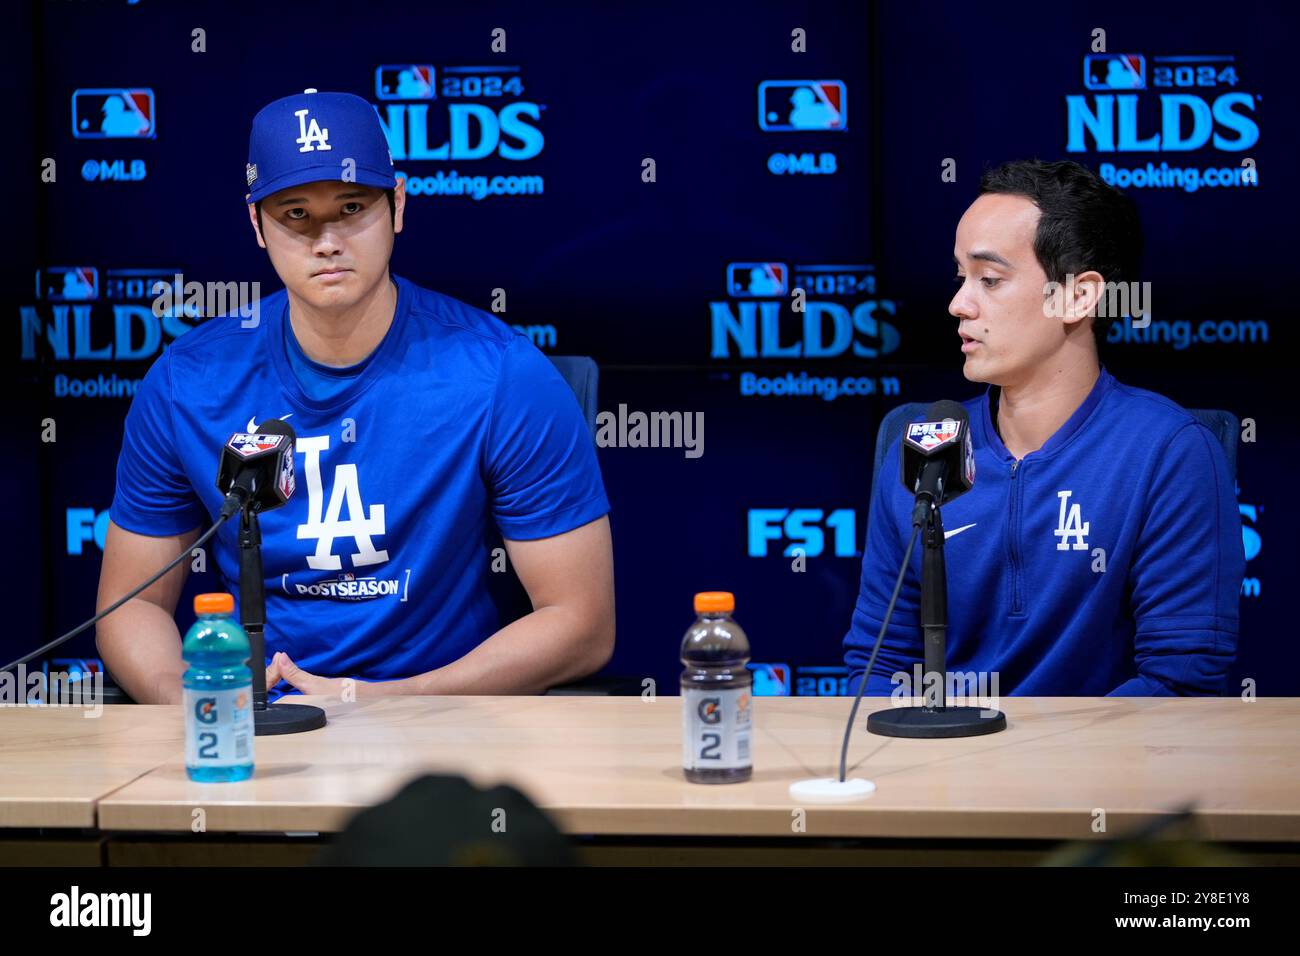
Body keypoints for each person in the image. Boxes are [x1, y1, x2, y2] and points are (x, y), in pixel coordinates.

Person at [97, 90, 614, 704]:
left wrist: (398, 700)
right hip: (259, 733)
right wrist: (194, 701)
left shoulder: (502, 375)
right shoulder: (187, 382)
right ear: (255, 224)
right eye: (295, 214)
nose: (327, 240)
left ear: (397, 206)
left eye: (351, 206)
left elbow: (581, 624)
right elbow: (130, 607)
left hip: (442, 730)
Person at [844, 159, 1243, 696]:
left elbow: (1179, 685)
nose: (958, 304)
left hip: (1105, 774)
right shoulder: (924, 443)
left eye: (989, 279)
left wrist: (1029, 766)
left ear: (1078, 295)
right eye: (960, 278)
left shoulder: (1169, 452)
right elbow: (878, 666)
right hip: (943, 770)